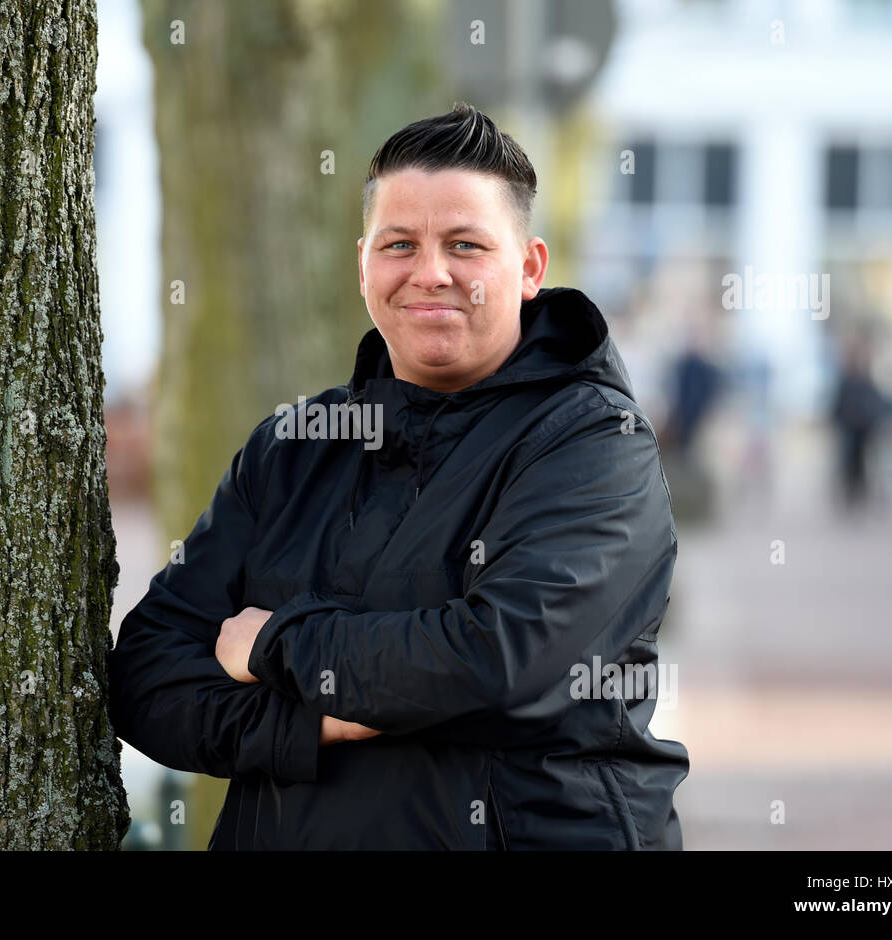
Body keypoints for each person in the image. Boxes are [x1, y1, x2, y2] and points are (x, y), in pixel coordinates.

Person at [108, 103, 688, 850]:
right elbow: (149, 673)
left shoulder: (593, 445)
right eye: (400, 244)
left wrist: (272, 646)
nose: (430, 272)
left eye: (466, 244)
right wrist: (305, 721)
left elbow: (496, 659)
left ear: (530, 267)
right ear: (362, 265)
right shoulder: (291, 447)